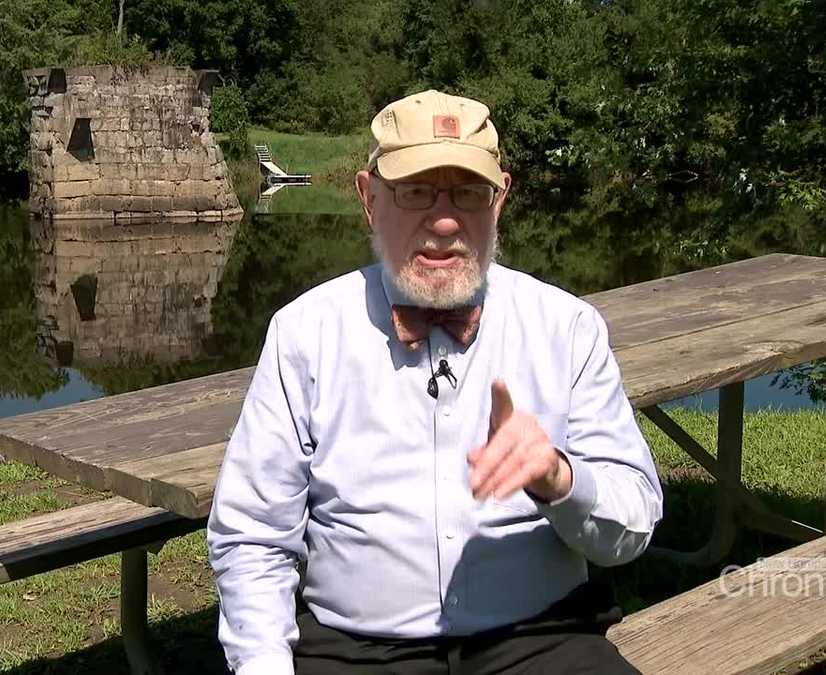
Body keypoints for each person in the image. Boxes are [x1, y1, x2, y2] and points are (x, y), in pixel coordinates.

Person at [206, 89, 663, 675]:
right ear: (369, 199)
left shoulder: (567, 327)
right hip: (356, 652)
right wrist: (263, 665)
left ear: (499, 200)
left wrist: (560, 479)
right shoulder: (305, 332)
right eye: (417, 191)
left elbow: (632, 528)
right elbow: (253, 536)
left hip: (540, 638)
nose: (445, 220)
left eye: (469, 193)